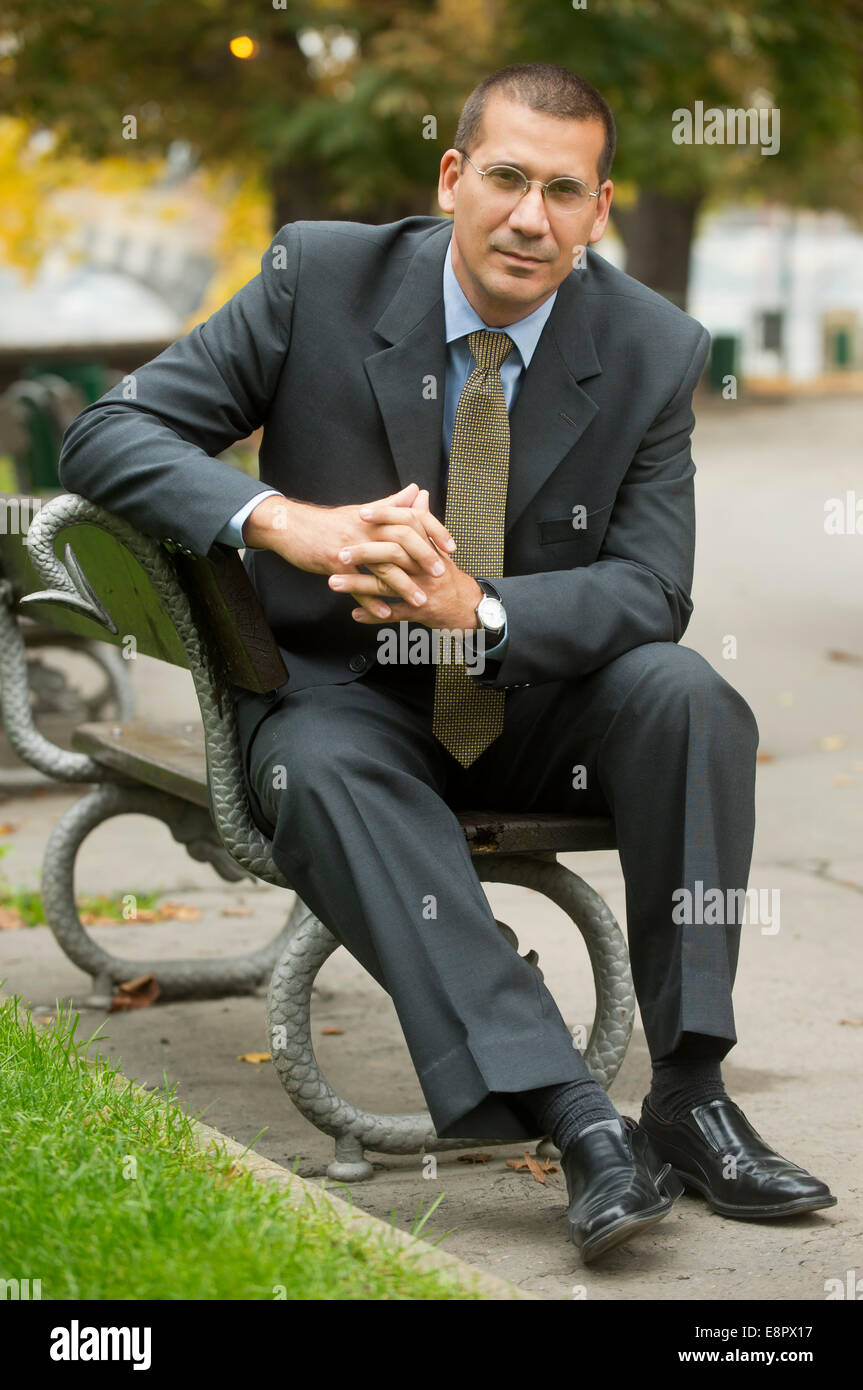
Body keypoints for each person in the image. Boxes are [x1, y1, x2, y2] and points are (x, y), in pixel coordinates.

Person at [57, 61, 836, 1263]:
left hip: (527, 703)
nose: (530, 216)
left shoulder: (648, 345)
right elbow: (107, 430)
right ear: (452, 176)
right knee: (321, 769)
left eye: (562, 192)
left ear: (598, 208)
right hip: (343, 700)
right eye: (508, 178)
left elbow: (651, 589)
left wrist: (480, 606)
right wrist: (288, 523)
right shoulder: (318, 276)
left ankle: (688, 1092)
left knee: (688, 697)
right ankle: (575, 1115)